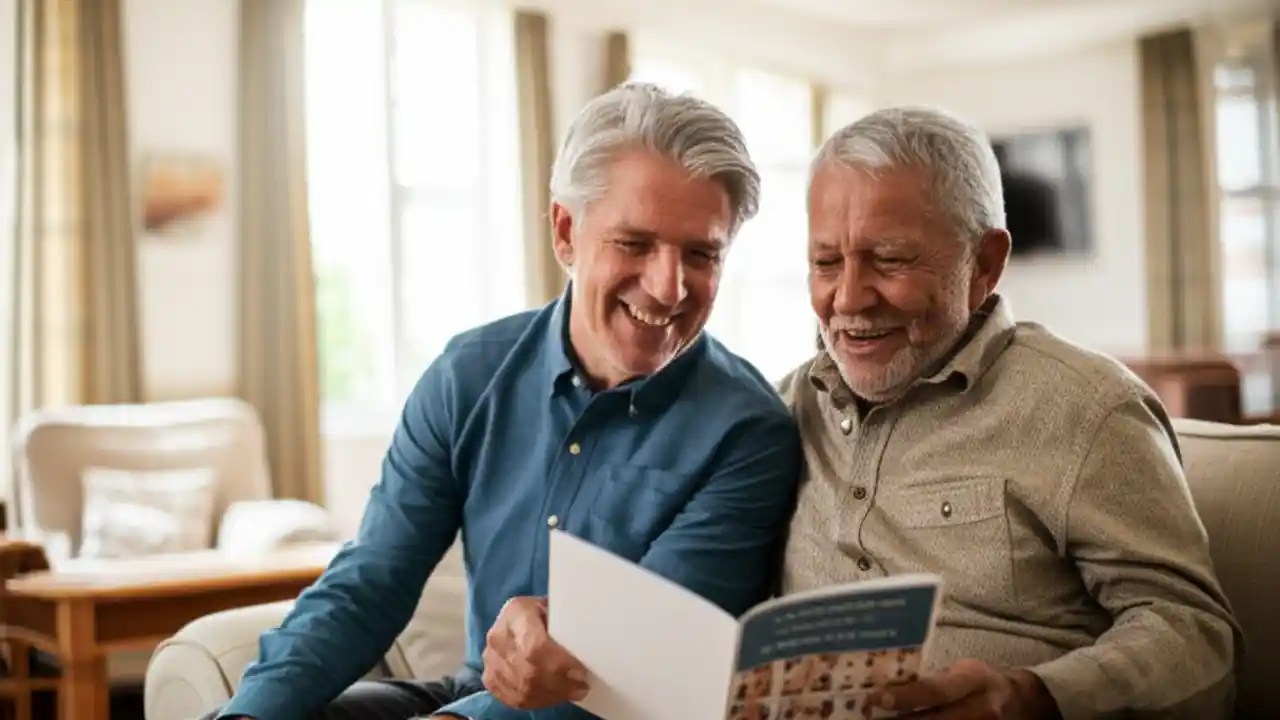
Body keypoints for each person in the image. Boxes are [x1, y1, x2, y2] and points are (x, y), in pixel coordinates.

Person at [483, 106, 1242, 720]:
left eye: (889, 260)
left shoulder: (1086, 410)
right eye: (825, 262)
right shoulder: (773, 416)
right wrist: (547, 626)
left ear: (984, 264)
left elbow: (1198, 640)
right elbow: (675, 606)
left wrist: (1033, 695)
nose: (847, 300)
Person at [208, 82, 801, 720]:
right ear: (567, 231)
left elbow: (633, 671)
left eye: (700, 254)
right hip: (470, 697)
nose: (667, 286)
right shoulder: (468, 376)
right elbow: (370, 582)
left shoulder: (748, 432)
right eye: (634, 244)